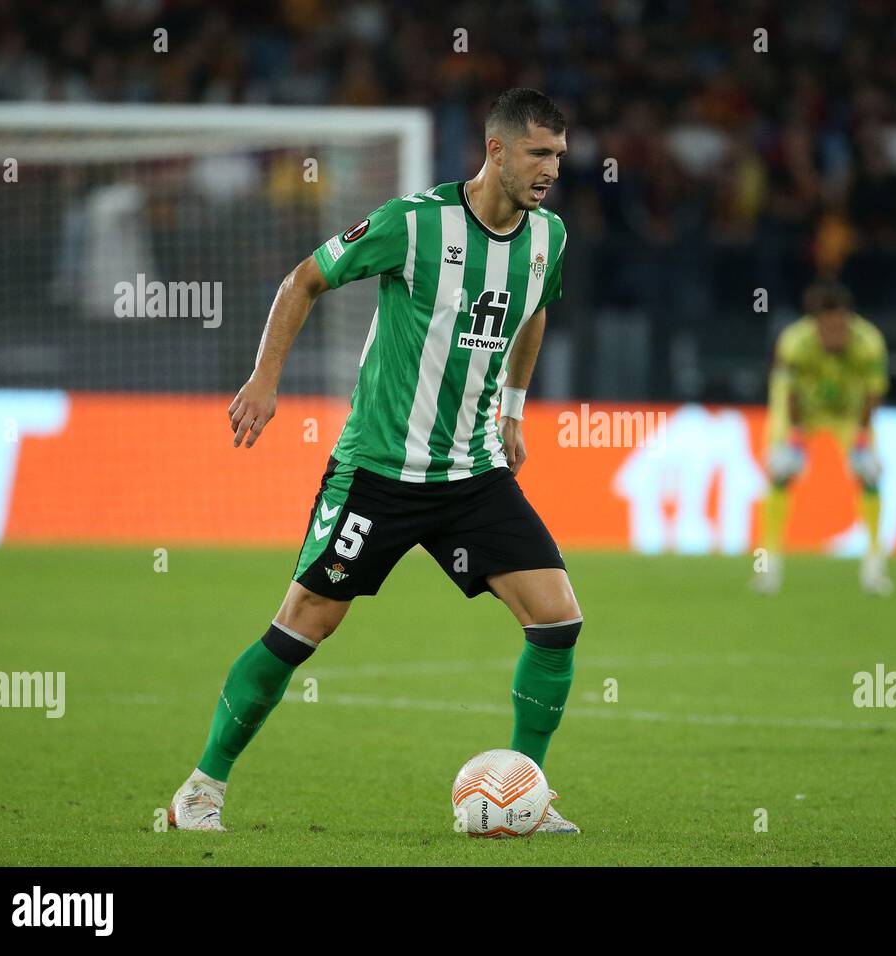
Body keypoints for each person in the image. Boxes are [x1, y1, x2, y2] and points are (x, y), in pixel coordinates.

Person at [168, 89, 583, 834]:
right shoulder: (413, 224)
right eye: (538, 153)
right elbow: (305, 279)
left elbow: (536, 307)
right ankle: (201, 787)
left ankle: (530, 790)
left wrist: (514, 408)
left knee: (557, 620)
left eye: (558, 152)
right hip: (379, 473)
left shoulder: (549, 238)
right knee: (303, 626)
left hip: (471, 473)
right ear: (496, 151)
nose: (552, 167)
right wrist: (265, 380)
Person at [756, 280, 891, 595]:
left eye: (841, 326)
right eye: (828, 327)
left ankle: (874, 565)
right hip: (802, 410)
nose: (836, 334)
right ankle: (767, 565)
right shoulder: (794, 343)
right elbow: (786, 393)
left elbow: (873, 394)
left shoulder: (868, 343)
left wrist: (860, 439)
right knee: (780, 470)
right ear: (815, 323)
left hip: (849, 412)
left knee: (869, 471)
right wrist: (795, 437)